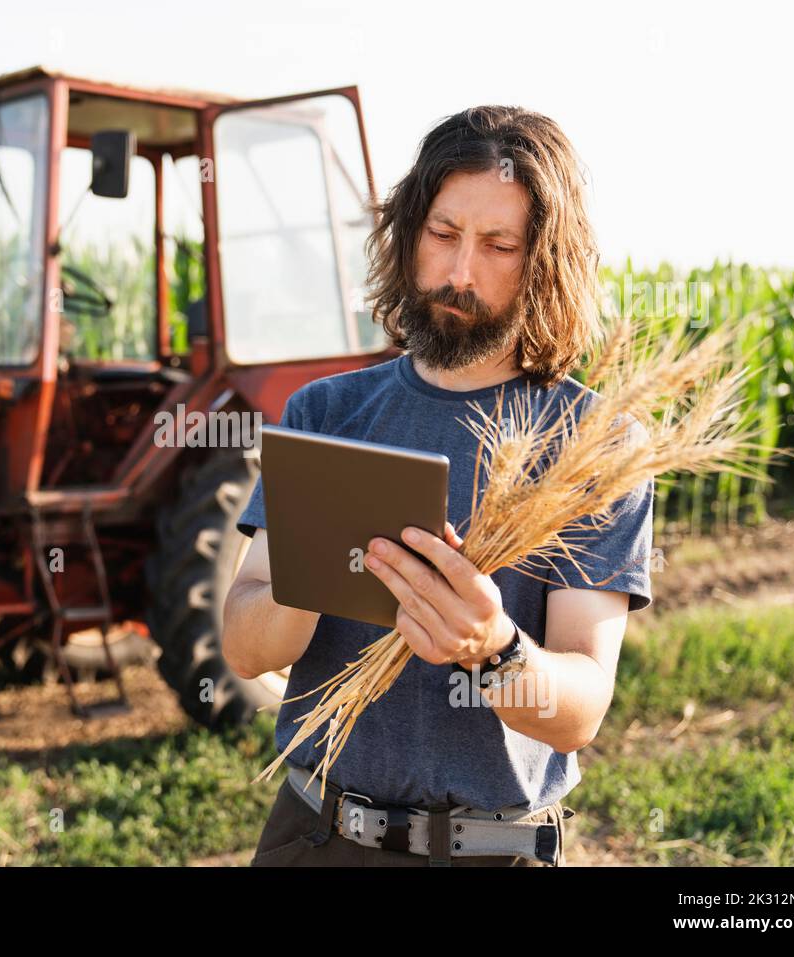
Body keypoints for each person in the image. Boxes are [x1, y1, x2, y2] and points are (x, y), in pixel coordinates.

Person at [222, 105, 653, 867]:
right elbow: (245, 645)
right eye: (444, 234)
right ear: (410, 232)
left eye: (498, 245)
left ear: (544, 261)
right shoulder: (325, 412)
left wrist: (492, 648)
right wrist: (320, 565)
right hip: (317, 836)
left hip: (494, 852)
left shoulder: (597, 445)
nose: (459, 273)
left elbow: (580, 706)